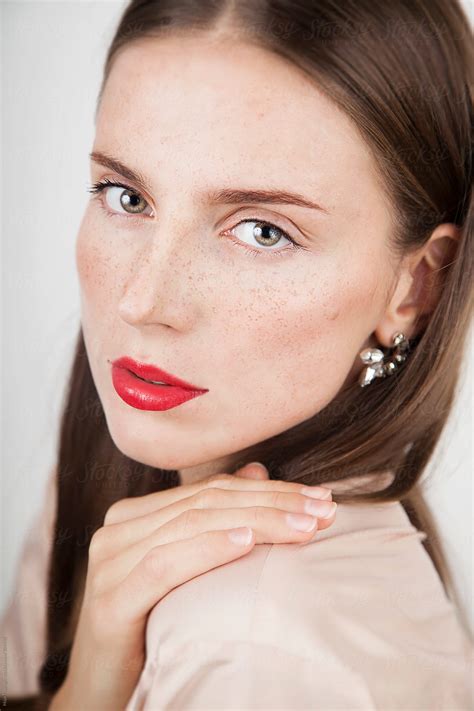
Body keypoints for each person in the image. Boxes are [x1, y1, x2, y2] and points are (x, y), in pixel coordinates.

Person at [1, 0, 473, 708]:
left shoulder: (251, 650)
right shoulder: (125, 483)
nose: (144, 300)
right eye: (126, 196)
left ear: (415, 287)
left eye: (262, 231)